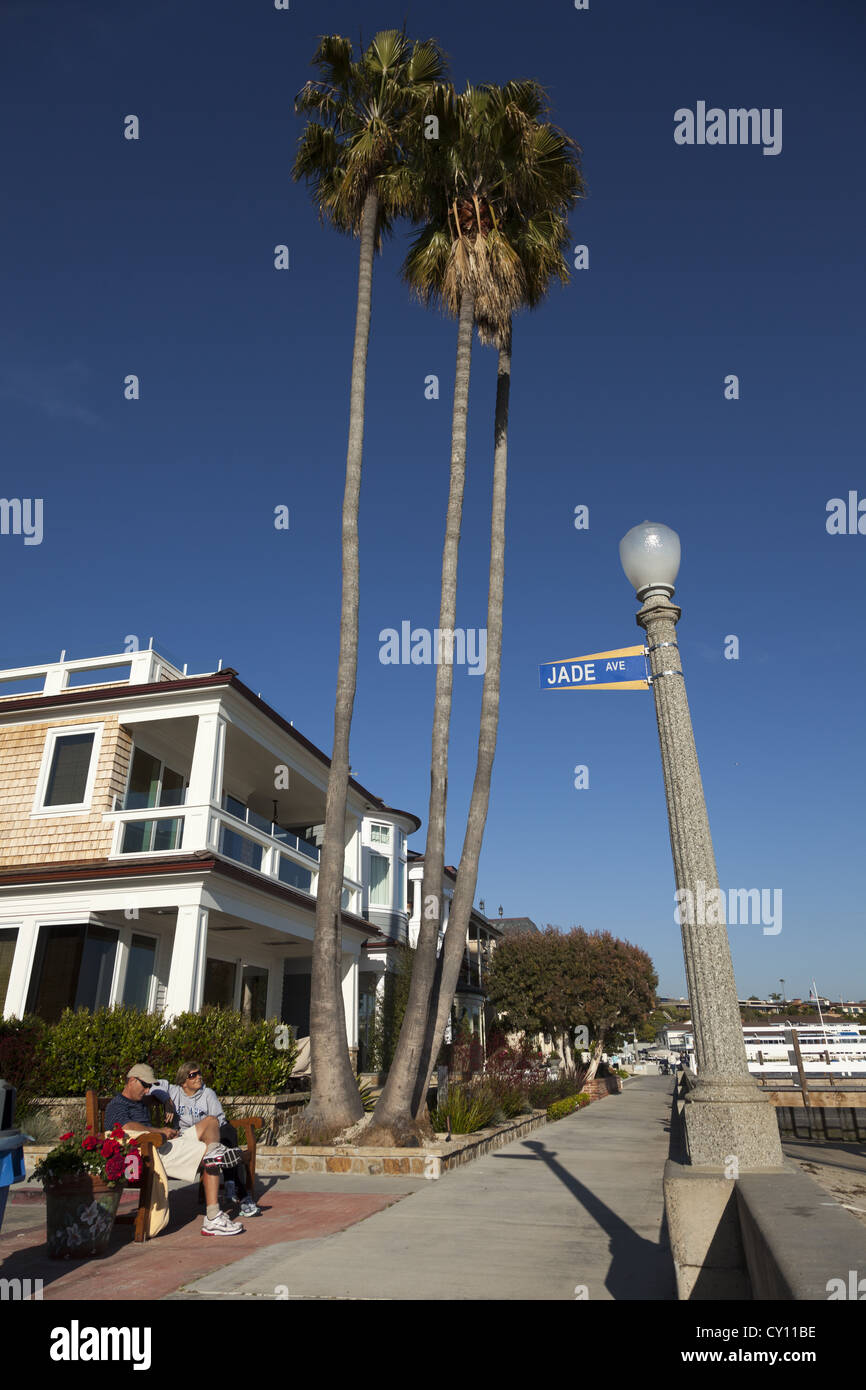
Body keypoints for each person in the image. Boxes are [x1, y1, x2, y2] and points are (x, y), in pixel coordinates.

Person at [104, 1063, 245, 1236]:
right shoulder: (116, 1105)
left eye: (149, 1086)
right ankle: (213, 1217)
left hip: (163, 1143)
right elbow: (127, 1127)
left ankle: (216, 1152)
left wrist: (167, 1101)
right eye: (145, 1085)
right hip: (151, 1152)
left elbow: (161, 1090)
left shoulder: (139, 1101)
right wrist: (159, 1131)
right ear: (132, 1080)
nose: (148, 1090)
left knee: (211, 1122)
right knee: (208, 1154)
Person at [150, 1061, 261, 1219]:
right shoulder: (174, 1091)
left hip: (208, 1137)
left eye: (199, 1073)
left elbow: (218, 1119)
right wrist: (167, 1101)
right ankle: (240, 1193)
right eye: (192, 1075)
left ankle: (231, 1183)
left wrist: (205, 1131)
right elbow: (153, 1086)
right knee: (222, 1150)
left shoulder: (207, 1093)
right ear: (183, 1081)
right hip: (186, 1138)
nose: (198, 1077)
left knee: (226, 1131)